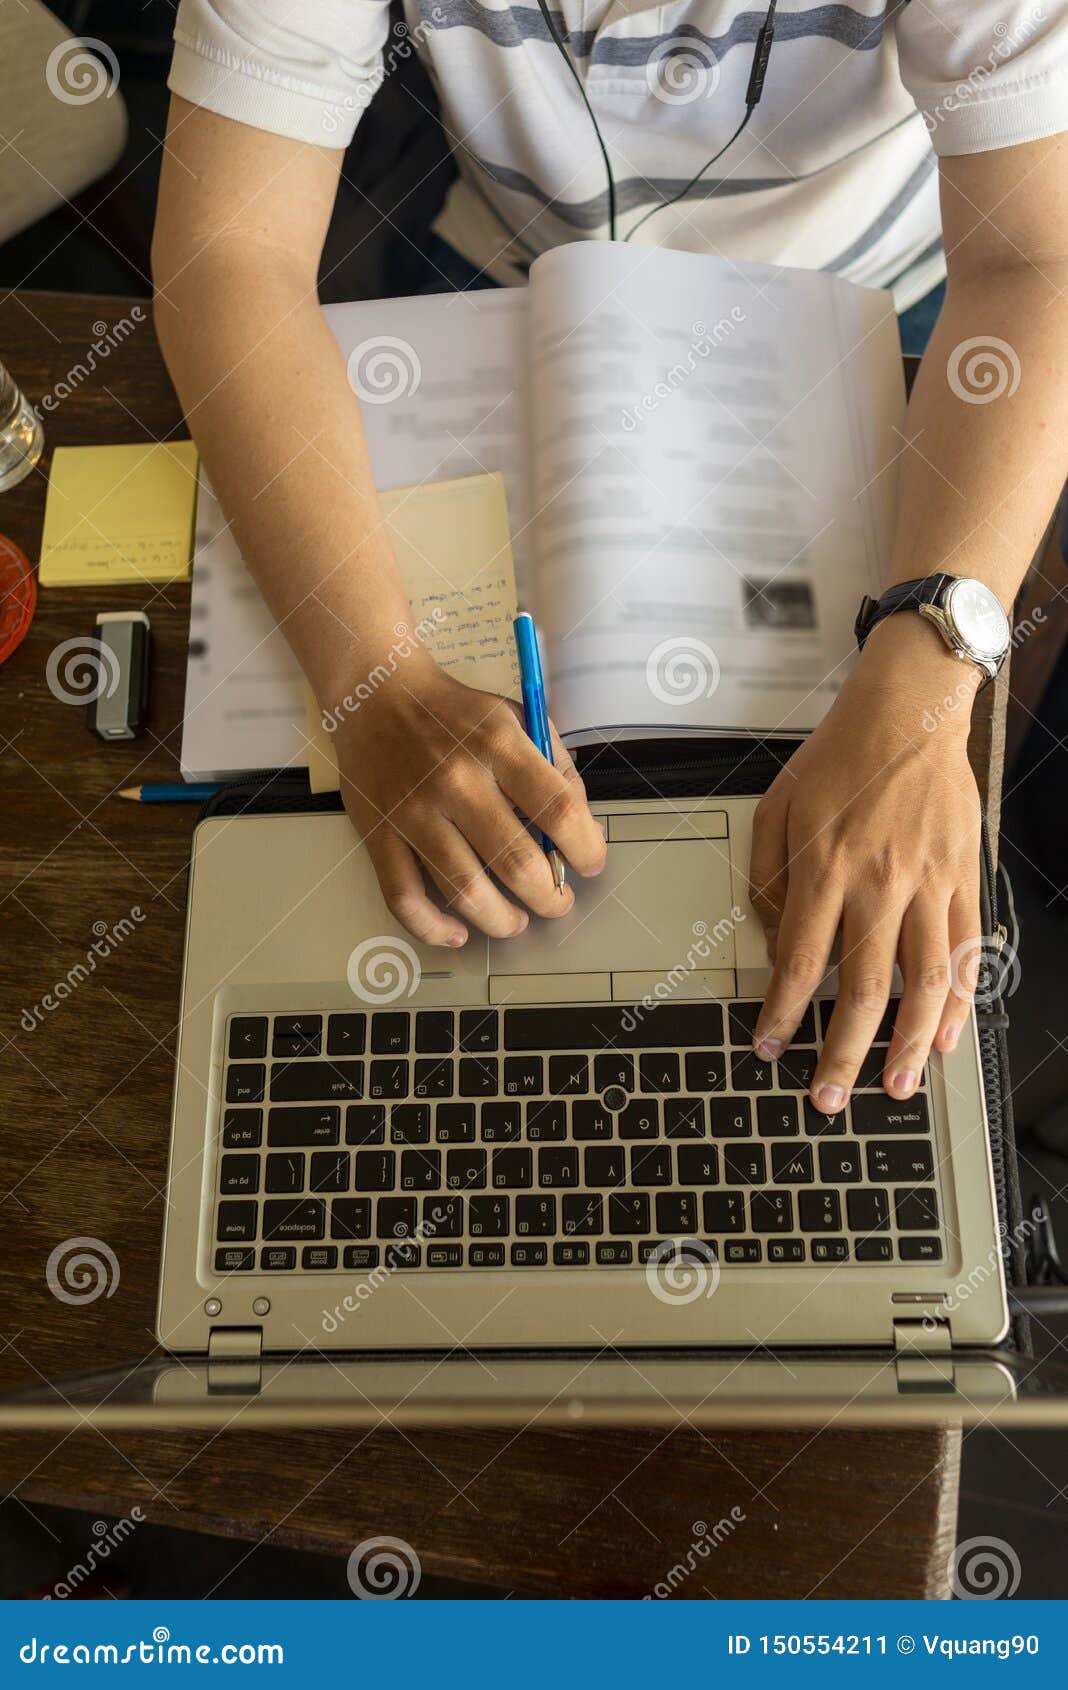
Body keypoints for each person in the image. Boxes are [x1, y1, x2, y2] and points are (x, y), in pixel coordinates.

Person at [152, 1, 1067, 1116]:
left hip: (881, 281)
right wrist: (371, 680)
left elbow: (1036, 258)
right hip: (517, 255)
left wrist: (925, 684)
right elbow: (226, 255)